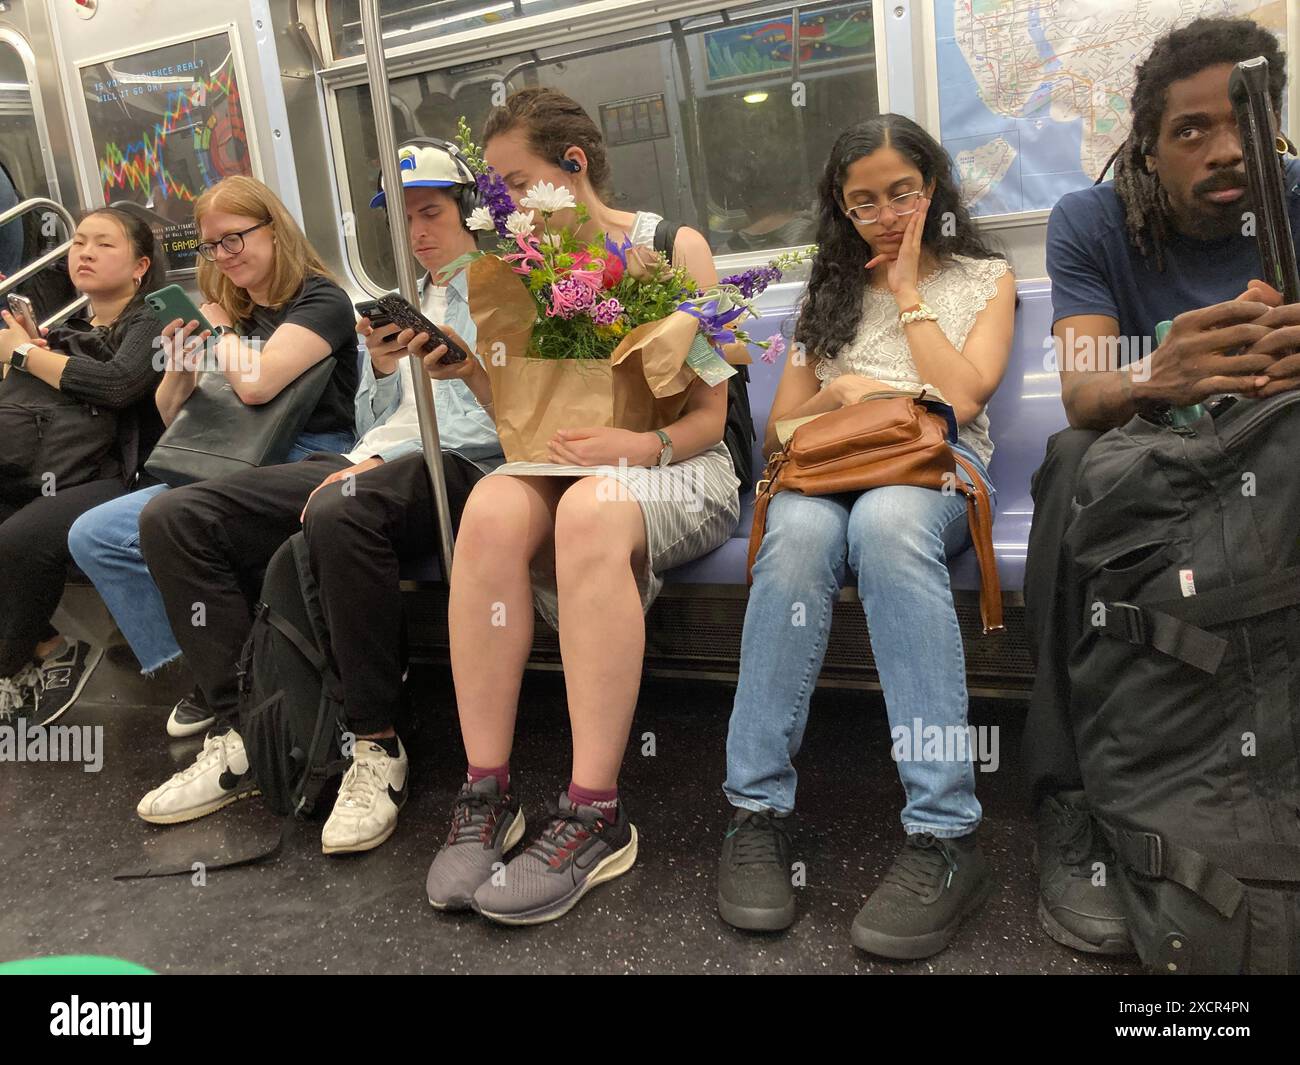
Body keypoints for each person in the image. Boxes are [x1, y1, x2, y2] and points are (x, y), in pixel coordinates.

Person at [420, 87, 740, 924]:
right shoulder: (522, 273)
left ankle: (595, 810)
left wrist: (641, 448)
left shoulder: (670, 247)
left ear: (574, 167)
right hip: (572, 465)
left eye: (516, 184)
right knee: (489, 503)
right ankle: (488, 791)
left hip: (680, 463)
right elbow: (531, 420)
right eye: (494, 189)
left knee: (594, 508)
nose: (502, 206)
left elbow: (708, 418)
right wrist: (471, 373)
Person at [133, 141, 502, 852]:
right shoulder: (413, 298)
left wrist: (371, 454)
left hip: (462, 466)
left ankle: (375, 740)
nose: (418, 234)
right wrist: (388, 369)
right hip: (374, 457)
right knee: (174, 515)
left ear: (470, 216)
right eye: (403, 222)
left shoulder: (506, 288)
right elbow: (374, 421)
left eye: (430, 214)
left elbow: (503, 416)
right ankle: (249, 726)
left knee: (342, 504)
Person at [1022, 16, 1300, 957]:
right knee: (1065, 462)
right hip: (1154, 462)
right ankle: (1065, 793)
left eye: (1243, 125)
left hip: (1279, 449)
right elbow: (1082, 388)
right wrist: (1159, 374)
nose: (1226, 151)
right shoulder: (1092, 220)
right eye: (1191, 131)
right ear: (1148, 146)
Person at [717, 114, 1016, 959]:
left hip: (936, 468)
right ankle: (755, 812)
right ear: (841, 211)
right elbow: (779, 436)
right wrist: (836, 394)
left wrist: (912, 289)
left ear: (934, 190)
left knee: (887, 525)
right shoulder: (830, 296)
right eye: (864, 203)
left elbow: (965, 399)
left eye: (902, 194)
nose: (885, 215)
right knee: (798, 539)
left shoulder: (986, 278)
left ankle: (945, 831)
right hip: (827, 470)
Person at [67, 176, 359, 726]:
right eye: (209, 245)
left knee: (173, 521)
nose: (221, 257)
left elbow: (256, 385)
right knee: (95, 534)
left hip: (306, 457)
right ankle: (208, 667)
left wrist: (220, 330)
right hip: (226, 452)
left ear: (274, 231)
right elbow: (170, 411)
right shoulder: (232, 307)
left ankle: (242, 674)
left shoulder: (322, 300)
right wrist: (181, 362)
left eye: (234, 239)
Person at [0, 208, 164, 723]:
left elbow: (119, 384)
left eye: (103, 245)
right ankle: (47, 644)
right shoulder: (68, 327)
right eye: (77, 243)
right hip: (61, 462)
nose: (84, 253)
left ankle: (7, 665)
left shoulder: (155, 316)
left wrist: (26, 354)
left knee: (21, 539)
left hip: (126, 473)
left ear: (140, 266)